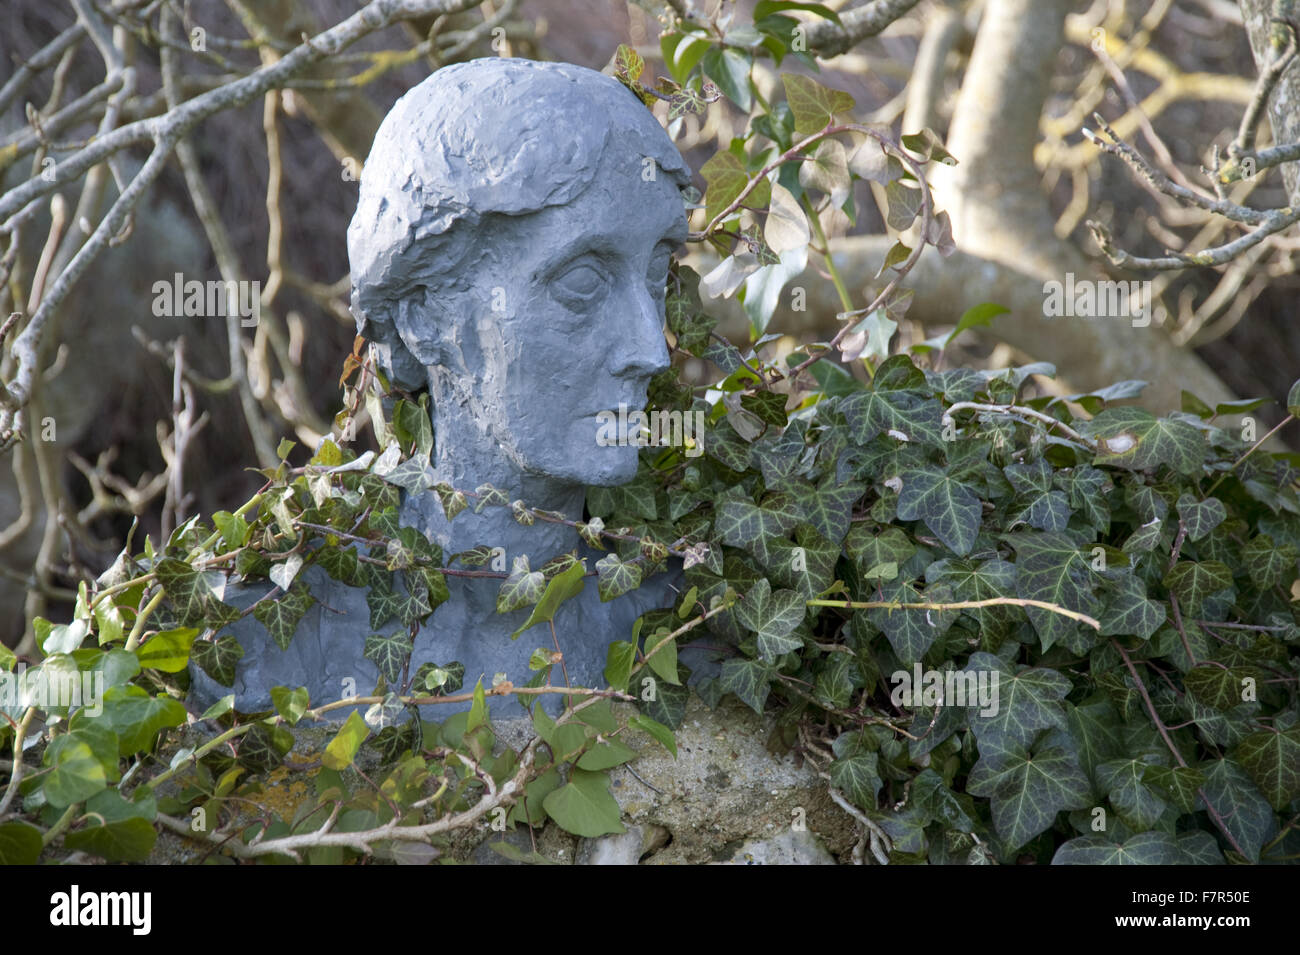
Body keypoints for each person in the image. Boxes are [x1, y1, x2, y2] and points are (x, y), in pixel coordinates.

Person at [190, 58, 693, 713]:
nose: (650, 347)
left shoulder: (685, 624)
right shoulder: (268, 647)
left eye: (657, 272)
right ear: (426, 316)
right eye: (583, 283)